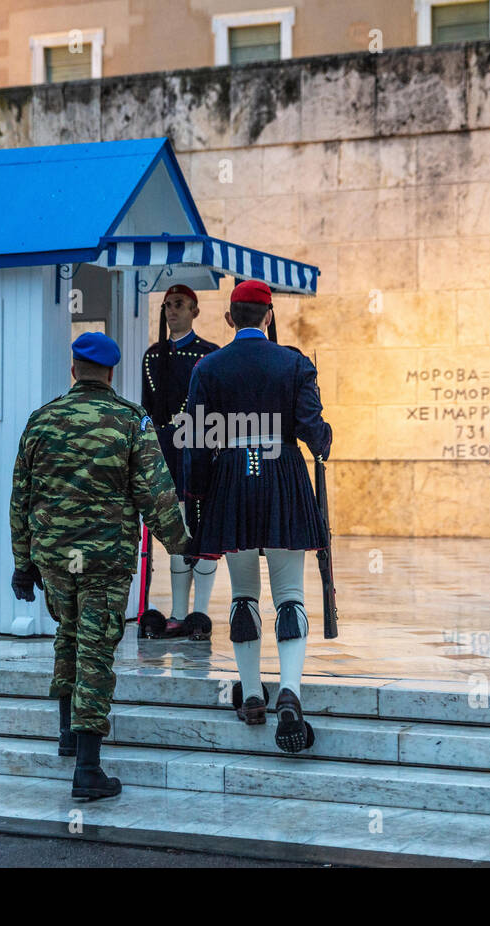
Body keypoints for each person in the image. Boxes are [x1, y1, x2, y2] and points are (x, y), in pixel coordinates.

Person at [10, 331, 190, 799]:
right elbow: (155, 493)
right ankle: (88, 769)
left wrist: (22, 564)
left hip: (54, 557)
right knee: (95, 648)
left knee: (67, 635)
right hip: (105, 559)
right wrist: (181, 544)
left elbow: (20, 498)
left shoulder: (41, 420)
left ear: (74, 369)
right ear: (111, 373)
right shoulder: (130, 420)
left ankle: (69, 735)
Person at [182, 280, 333, 755]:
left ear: (229, 318)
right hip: (283, 476)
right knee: (290, 595)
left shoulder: (208, 367)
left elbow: (196, 442)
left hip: (234, 479)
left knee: (244, 593)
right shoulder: (294, 362)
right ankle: (289, 690)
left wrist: (200, 496)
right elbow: (313, 431)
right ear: (268, 317)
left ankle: (251, 696)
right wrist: (323, 437)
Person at [140, 283, 220, 639]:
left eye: (180, 305)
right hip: (167, 452)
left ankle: (199, 614)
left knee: (200, 531)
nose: (172, 311)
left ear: (195, 311)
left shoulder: (210, 355)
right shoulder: (152, 356)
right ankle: (177, 611)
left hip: (200, 450)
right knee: (176, 533)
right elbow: (149, 410)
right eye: (168, 305)